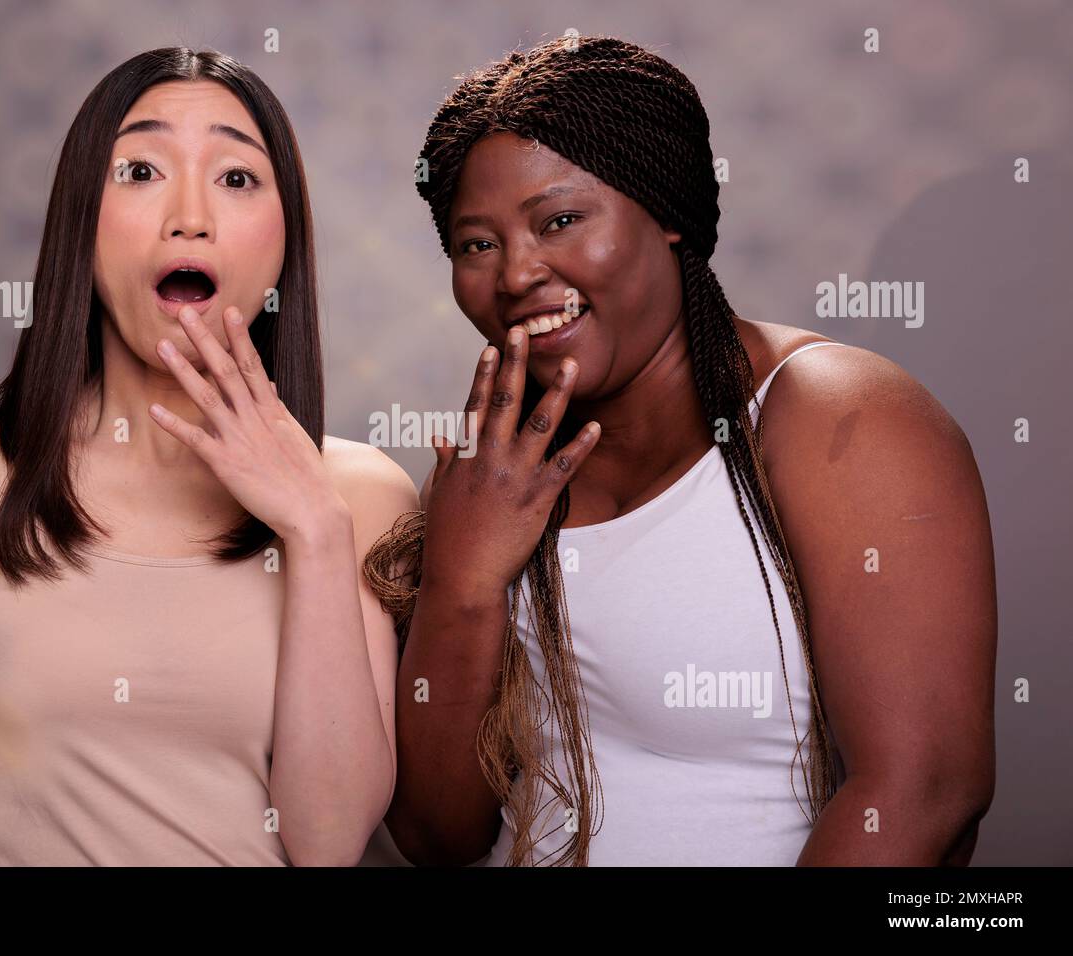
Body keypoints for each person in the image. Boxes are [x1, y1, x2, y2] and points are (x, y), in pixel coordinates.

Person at [366, 35, 997, 866]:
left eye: (560, 220)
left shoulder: (838, 416)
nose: (516, 272)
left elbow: (923, 793)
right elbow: (438, 836)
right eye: (475, 243)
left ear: (667, 213)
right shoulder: (500, 474)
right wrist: (462, 582)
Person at [0, 48, 416, 866]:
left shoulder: (362, 496)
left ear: (287, 238)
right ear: (80, 222)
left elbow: (330, 843)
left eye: (237, 177)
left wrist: (312, 527)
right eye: (139, 169)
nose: (190, 216)